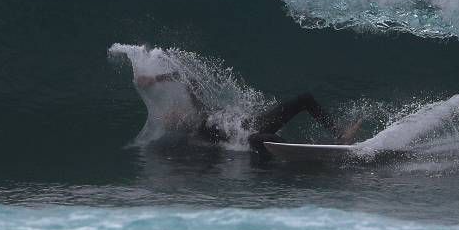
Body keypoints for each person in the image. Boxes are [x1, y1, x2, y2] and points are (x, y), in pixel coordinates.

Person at [136, 71, 361, 156]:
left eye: (172, 113)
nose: (173, 115)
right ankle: (305, 152)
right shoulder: (195, 137)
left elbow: (188, 78)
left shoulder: (200, 109)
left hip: (255, 122)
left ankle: (341, 135)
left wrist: (155, 79)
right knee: (260, 139)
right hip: (248, 139)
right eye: (171, 120)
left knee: (304, 99)